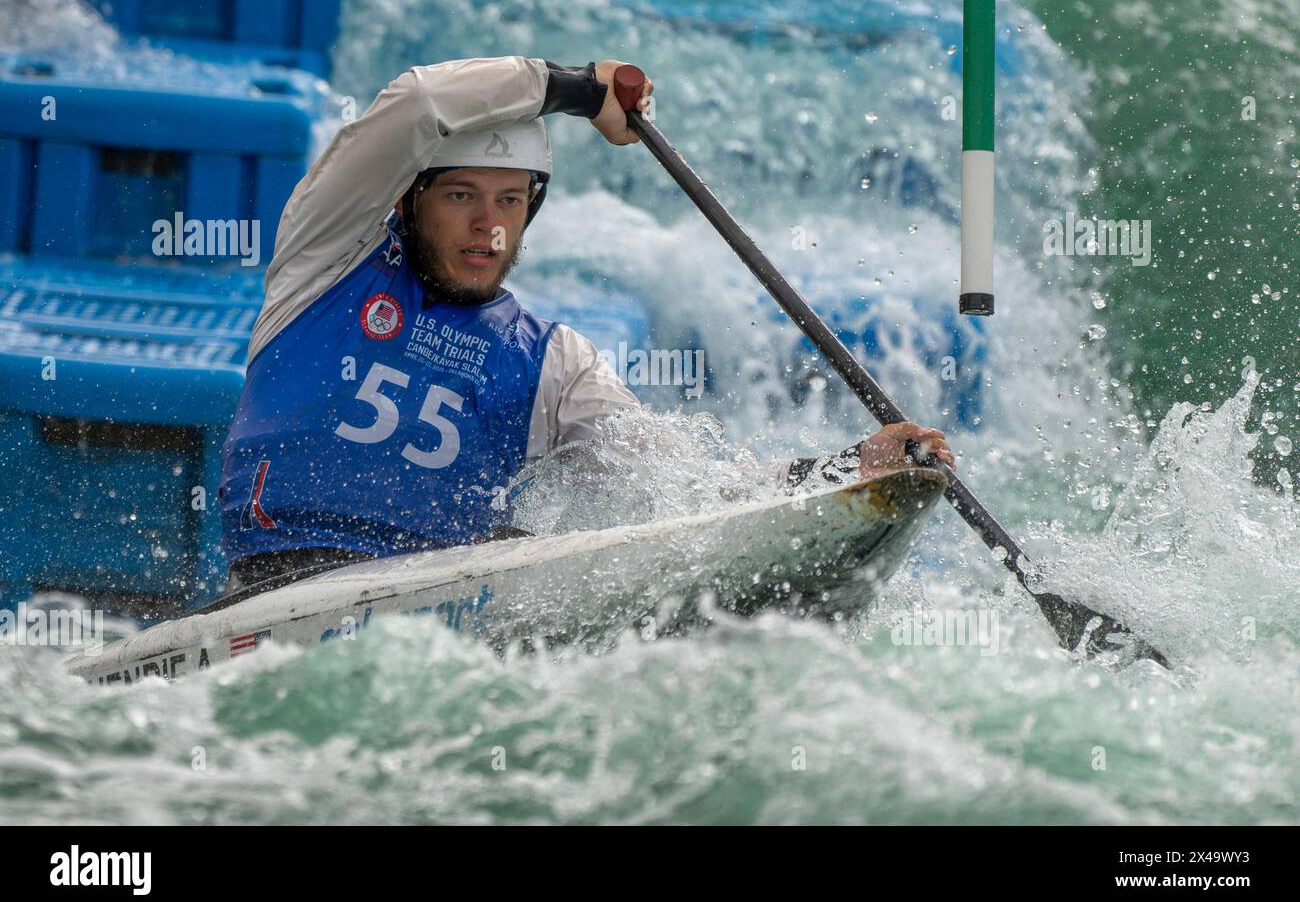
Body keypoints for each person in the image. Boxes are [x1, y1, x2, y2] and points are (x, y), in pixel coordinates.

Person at [217, 56, 955, 592]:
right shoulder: (325, 258)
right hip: (275, 587)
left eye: (510, 202)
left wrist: (845, 470)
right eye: (462, 196)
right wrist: (575, 88)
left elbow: (684, 491)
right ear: (410, 201)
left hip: (440, 610)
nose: (488, 227)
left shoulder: (553, 362)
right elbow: (416, 102)